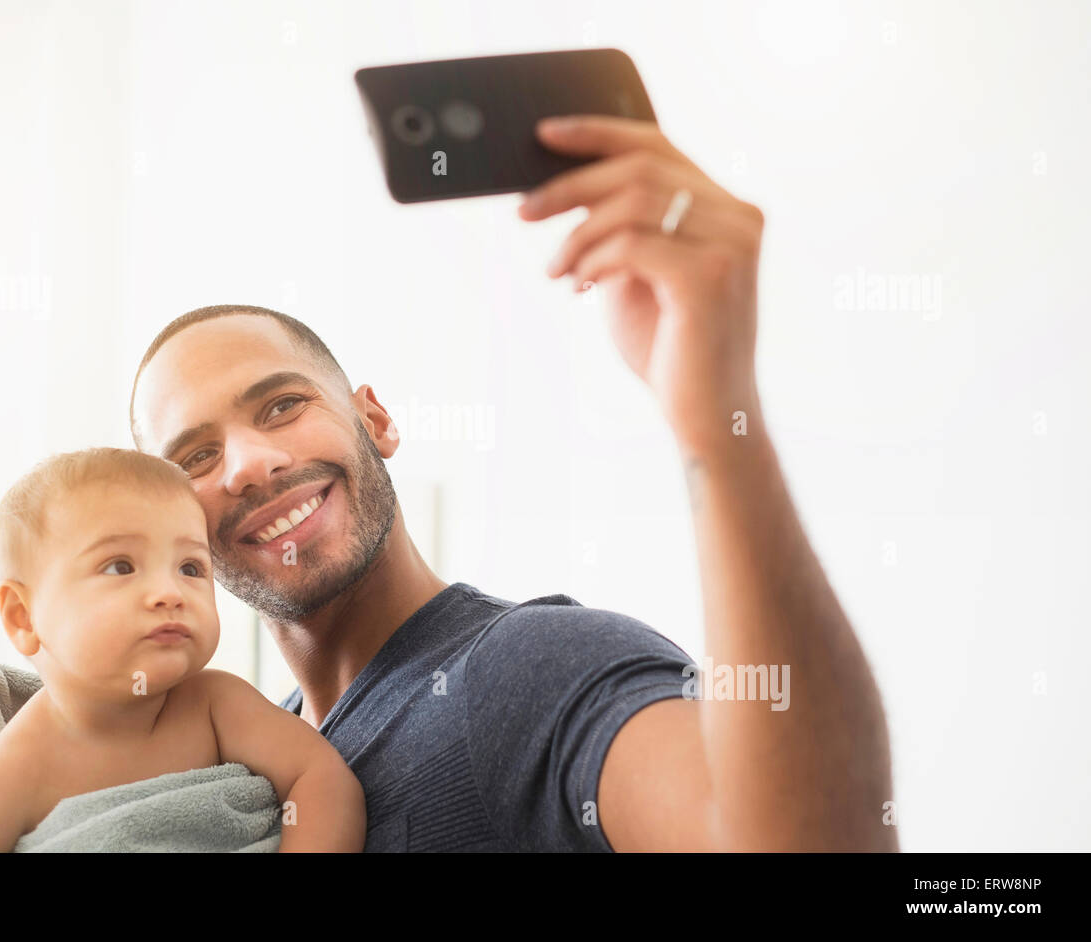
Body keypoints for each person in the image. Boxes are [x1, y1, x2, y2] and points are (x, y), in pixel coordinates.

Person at [127, 115, 896, 852]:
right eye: (195, 456)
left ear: (376, 421)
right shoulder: (255, 767)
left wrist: (716, 418)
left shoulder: (528, 669)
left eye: (284, 405)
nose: (250, 463)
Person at [0, 448, 365, 852]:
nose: (169, 592)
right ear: (23, 617)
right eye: (120, 567)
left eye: (191, 568)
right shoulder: (25, 759)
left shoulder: (215, 703)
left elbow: (323, 780)